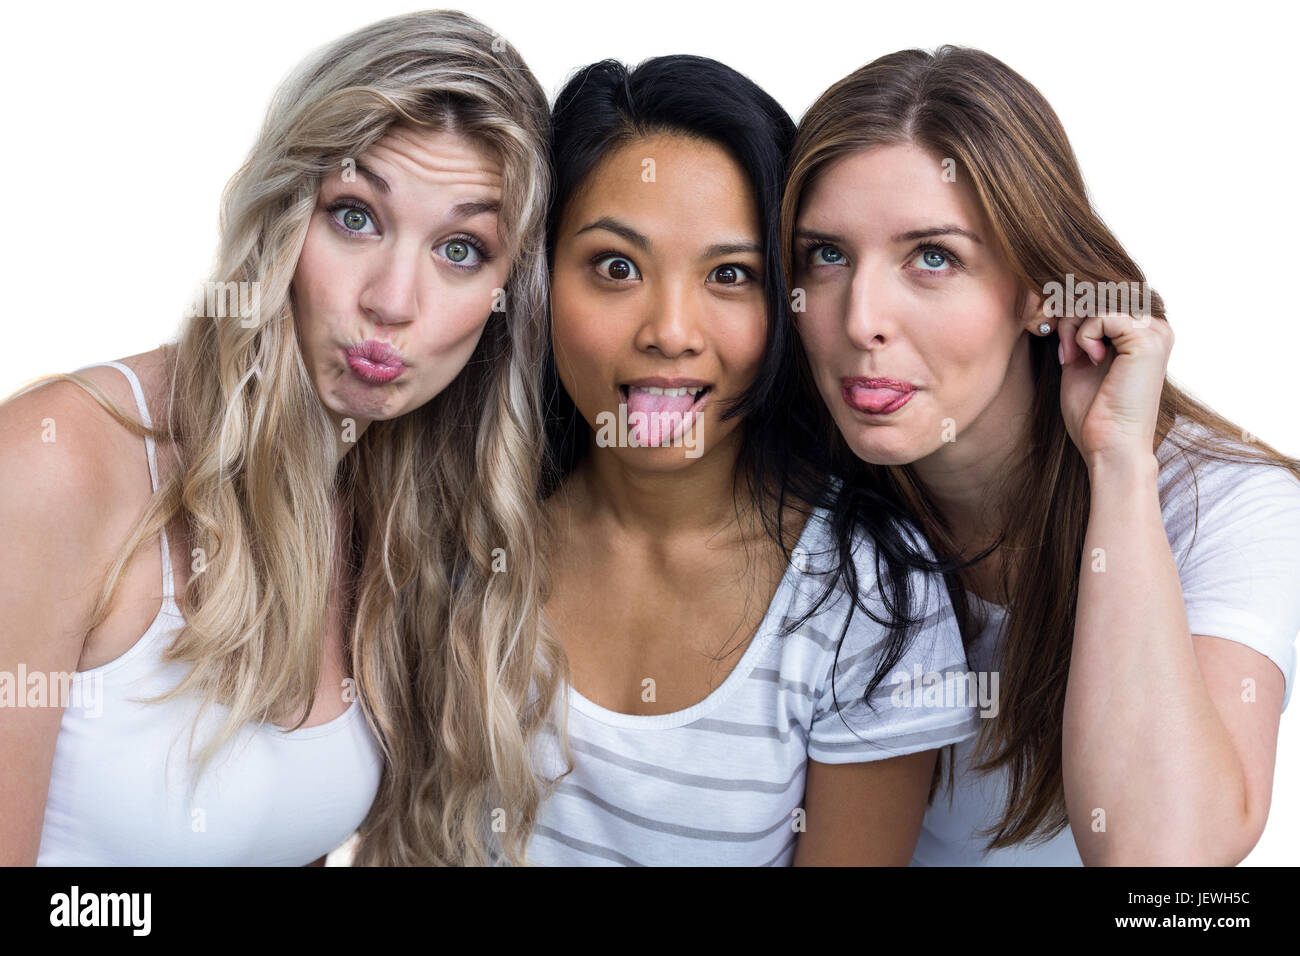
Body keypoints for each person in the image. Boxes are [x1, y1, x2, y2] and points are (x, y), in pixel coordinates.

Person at [0, 9, 558, 867]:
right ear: (284, 217)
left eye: (459, 248)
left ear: (501, 301)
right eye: (356, 216)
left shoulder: (384, 498)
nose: (392, 301)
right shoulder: (60, 463)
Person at [781, 45, 1300, 865]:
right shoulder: (798, 499)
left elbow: (1160, 867)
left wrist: (1120, 466)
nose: (860, 321)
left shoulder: (1231, 505)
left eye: (933, 257)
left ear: (1038, 291)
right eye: (829, 255)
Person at [526, 55, 979, 866]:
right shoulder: (455, 534)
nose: (671, 331)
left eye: (730, 275)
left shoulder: (870, 595)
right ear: (537, 277)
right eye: (616, 267)